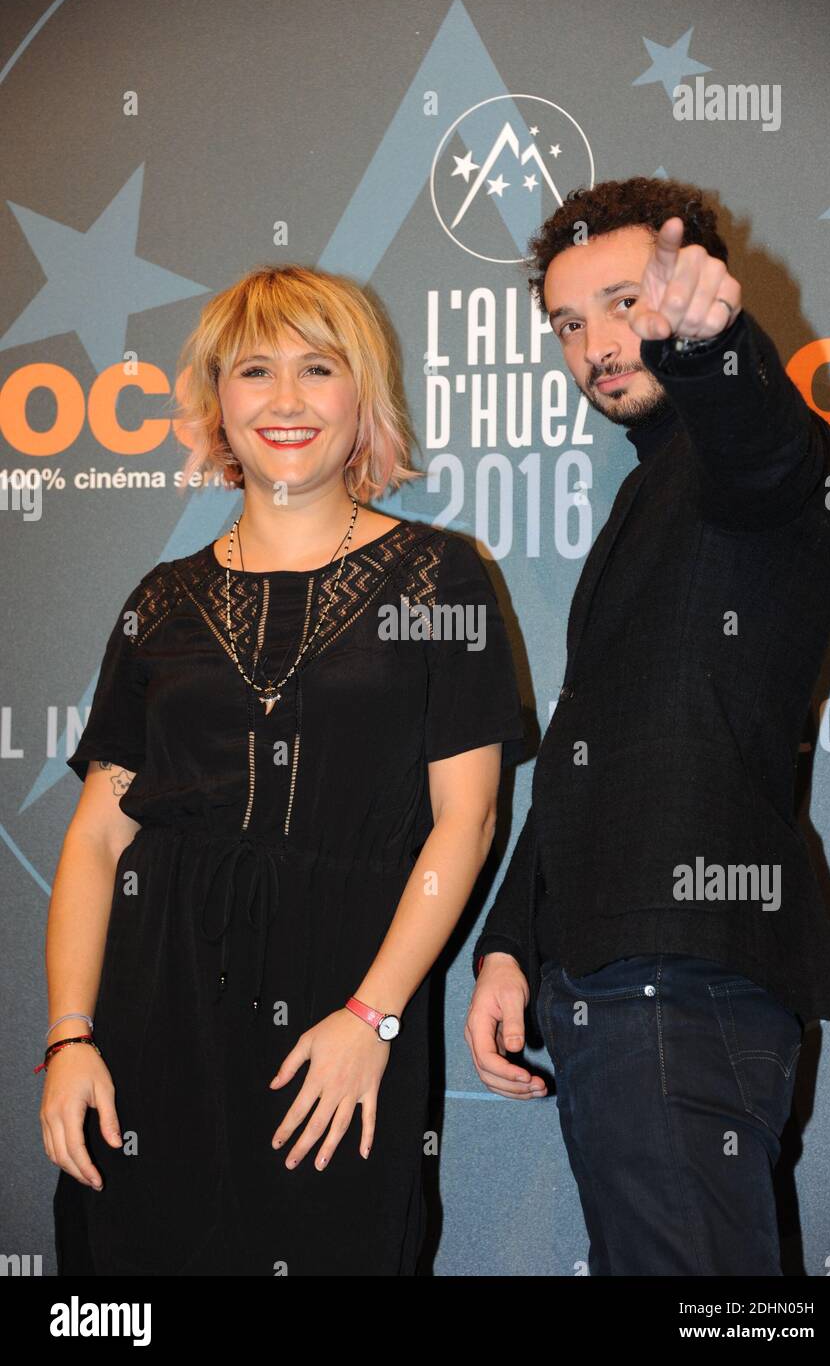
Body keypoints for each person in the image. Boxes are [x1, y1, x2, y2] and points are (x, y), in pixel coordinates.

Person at [42, 263, 524, 1276]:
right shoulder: (160, 600)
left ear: (366, 398)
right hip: (152, 1006)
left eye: (319, 366)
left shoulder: (441, 574)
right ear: (218, 403)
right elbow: (95, 836)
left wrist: (372, 1014)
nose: (287, 399)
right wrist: (69, 1038)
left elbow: (465, 821)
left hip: (343, 1000)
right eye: (255, 369)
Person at [466, 177, 830, 1276]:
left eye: (627, 301)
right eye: (569, 323)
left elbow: (768, 453)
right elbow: (600, 757)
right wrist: (509, 940)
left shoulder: (763, 460)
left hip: (677, 978)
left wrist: (716, 346)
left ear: (694, 290)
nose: (598, 342)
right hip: (619, 986)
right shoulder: (643, 502)